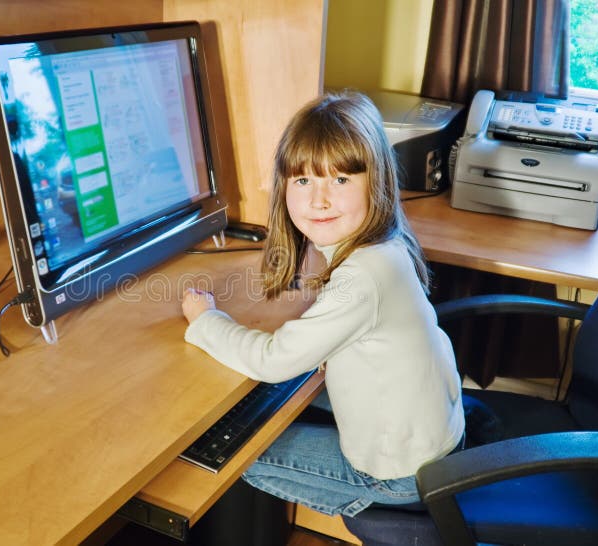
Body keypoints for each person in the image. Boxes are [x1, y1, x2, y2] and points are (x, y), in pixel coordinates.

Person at [181, 91, 464, 517]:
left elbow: (274, 361)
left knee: (234, 458)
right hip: (436, 434)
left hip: (402, 472)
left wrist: (206, 320)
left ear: (378, 181)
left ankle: (359, 499)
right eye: (303, 180)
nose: (319, 200)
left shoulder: (363, 277)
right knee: (270, 407)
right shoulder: (385, 244)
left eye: (341, 179)